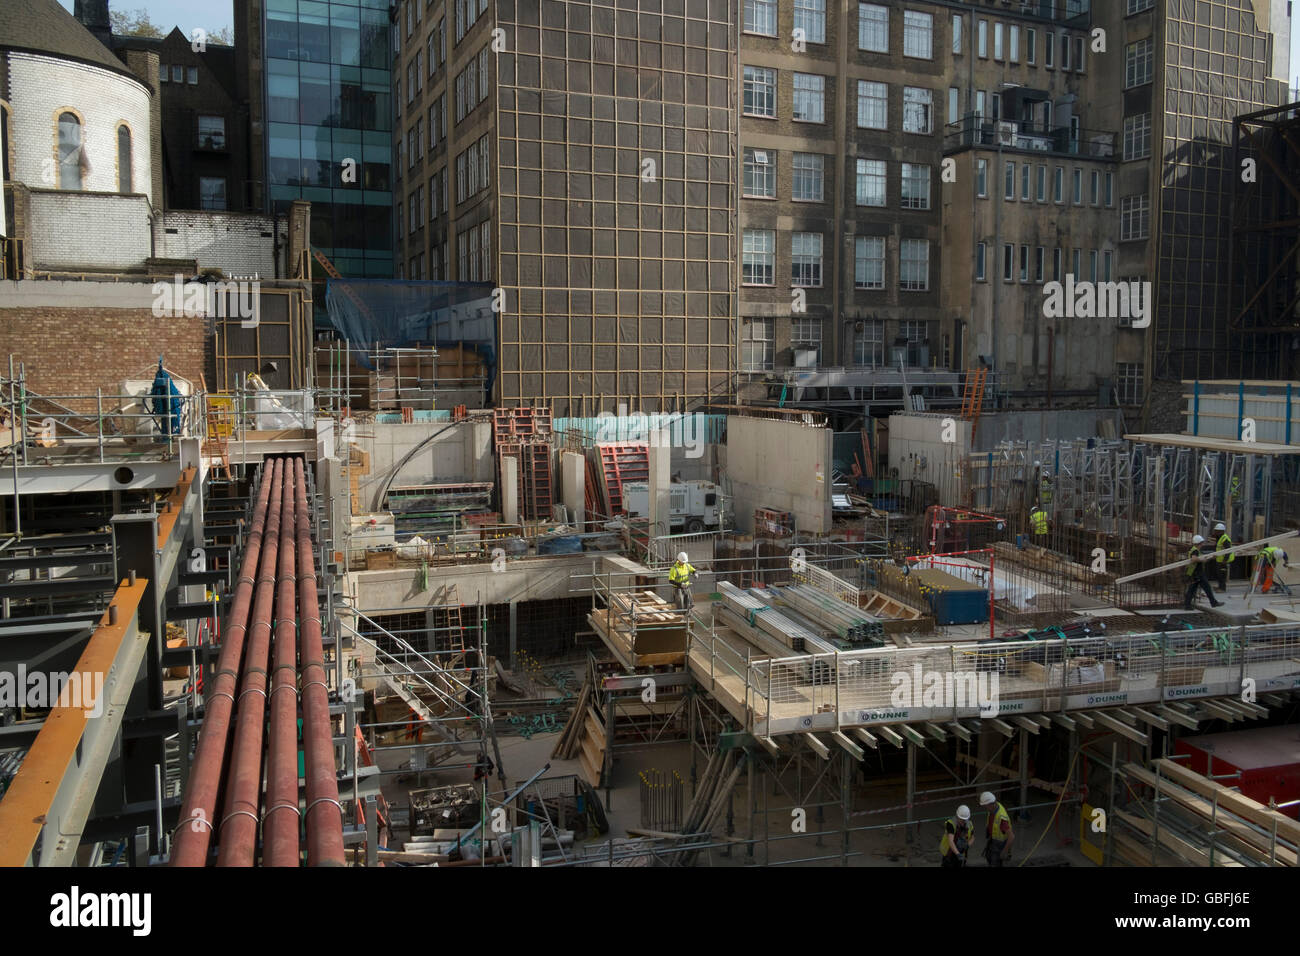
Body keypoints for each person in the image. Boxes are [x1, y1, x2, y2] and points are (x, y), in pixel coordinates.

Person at [1184, 534, 1223, 609]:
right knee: (1207, 588)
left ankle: (1187, 605)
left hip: (1194, 573)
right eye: (1202, 543)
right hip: (1197, 573)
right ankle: (1213, 603)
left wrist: (1211, 558)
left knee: (1192, 590)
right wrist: (1202, 559)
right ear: (1199, 543)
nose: (1202, 544)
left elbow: (1202, 560)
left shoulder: (1195, 550)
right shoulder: (1195, 550)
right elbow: (1194, 559)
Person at [980, 791, 1014, 866]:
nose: (985, 808)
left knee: (995, 863)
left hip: (999, 845)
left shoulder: (1001, 819)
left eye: (985, 805)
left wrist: (1004, 852)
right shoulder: (995, 807)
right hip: (993, 840)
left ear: (991, 804)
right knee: (988, 857)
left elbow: (1011, 837)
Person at [1212, 522, 1233, 591]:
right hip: (1219, 559)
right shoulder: (1219, 537)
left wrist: (1225, 560)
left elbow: (1228, 550)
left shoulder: (1225, 539)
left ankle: (1222, 588)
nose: (1215, 532)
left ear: (1221, 531)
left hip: (1223, 560)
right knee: (1218, 574)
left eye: (1217, 531)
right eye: (1215, 531)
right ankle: (1220, 587)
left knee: (1222, 574)